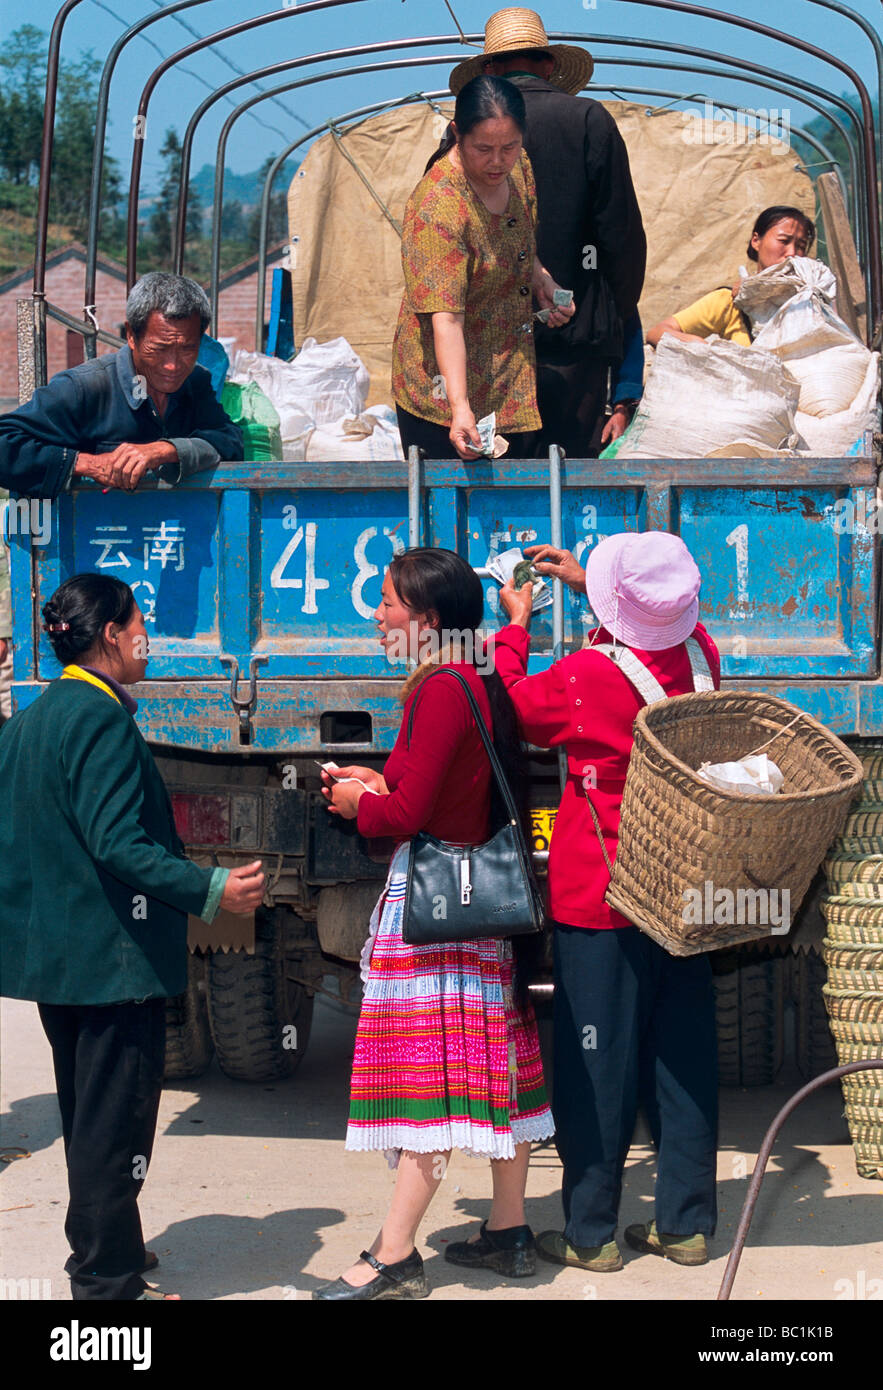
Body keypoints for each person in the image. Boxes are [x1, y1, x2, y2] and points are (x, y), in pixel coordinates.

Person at [0, 573, 265, 1300]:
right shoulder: (99, 717)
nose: (148, 635)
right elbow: (118, 844)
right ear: (111, 634)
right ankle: (105, 1286)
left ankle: (111, 1247)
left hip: (63, 959)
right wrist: (212, 890)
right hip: (110, 957)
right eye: (141, 620)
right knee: (113, 1128)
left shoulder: (35, 717)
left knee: (91, 1114)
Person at [313, 547, 554, 1300]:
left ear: (425, 619)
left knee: (429, 1088)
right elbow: (431, 784)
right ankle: (509, 1230)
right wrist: (379, 780)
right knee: (493, 1073)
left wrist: (361, 804)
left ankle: (394, 1254)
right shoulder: (474, 671)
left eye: (386, 605)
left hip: (434, 912)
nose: (377, 617)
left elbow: (408, 813)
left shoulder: (439, 689)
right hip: (475, 911)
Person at [492, 531, 721, 1272]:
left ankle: (589, 1234)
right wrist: (598, 583)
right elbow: (652, 634)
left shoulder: (584, 674)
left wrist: (514, 627)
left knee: (597, 1060)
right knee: (682, 1055)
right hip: (684, 887)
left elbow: (512, 712)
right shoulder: (701, 657)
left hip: (603, 892)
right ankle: (685, 1225)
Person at [449, 8, 647, 458]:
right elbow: (621, 238)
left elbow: (450, 235)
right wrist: (615, 320)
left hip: (491, 344)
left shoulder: (465, 131)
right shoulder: (589, 119)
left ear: (488, 71)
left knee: (497, 477)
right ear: (550, 64)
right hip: (575, 345)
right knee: (570, 476)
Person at [392, 74, 575, 463]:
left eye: (509, 146)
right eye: (483, 148)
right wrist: (460, 408)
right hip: (443, 394)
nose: (497, 161)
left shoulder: (519, 168)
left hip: (509, 376)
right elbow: (447, 321)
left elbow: (521, 242)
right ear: (457, 133)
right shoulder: (438, 208)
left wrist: (541, 280)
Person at [0, 272, 243, 498]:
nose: (173, 366)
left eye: (188, 349)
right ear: (130, 335)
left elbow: (229, 441)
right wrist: (89, 464)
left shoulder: (195, 381)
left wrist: (164, 451)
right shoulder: (84, 387)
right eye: (159, 348)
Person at [646, 205, 816, 349]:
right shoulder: (731, 301)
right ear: (756, 241)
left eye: (801, 246)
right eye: (784, 241)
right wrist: (697, 344)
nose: (792, 253)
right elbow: (657, 333)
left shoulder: (811, 301)